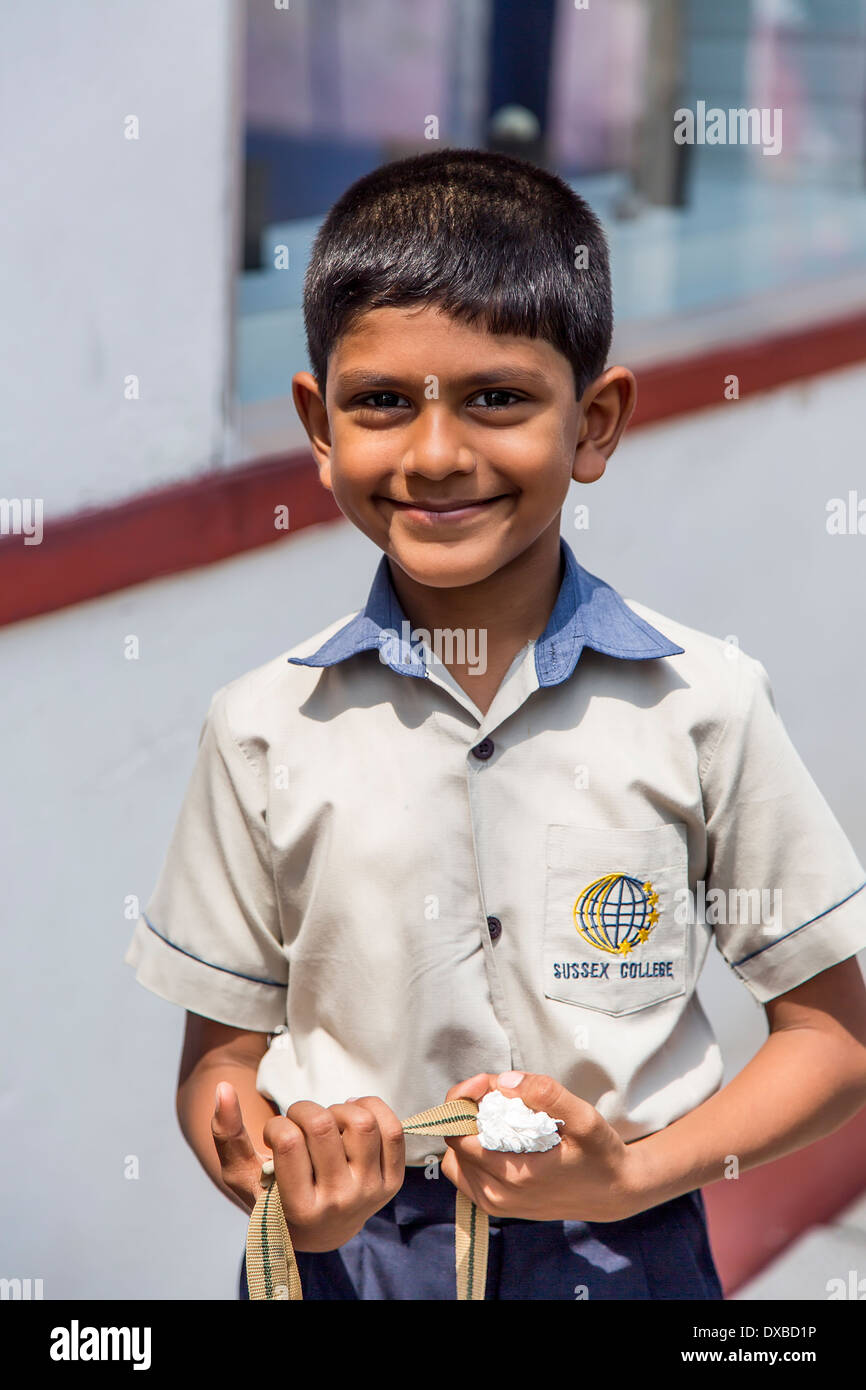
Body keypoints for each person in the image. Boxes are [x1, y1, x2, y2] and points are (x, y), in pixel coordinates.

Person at [124, 148, 866, 1301]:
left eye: (497, 398)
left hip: (625, 1254)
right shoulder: (264, 727)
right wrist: (283, 1172)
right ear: (320, 429)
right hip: (352, 1267)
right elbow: (216, 1065)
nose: (434, 454)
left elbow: (831, 1043)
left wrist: (630, 1175)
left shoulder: (701, 704)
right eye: (380, 403)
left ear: (595, 421)